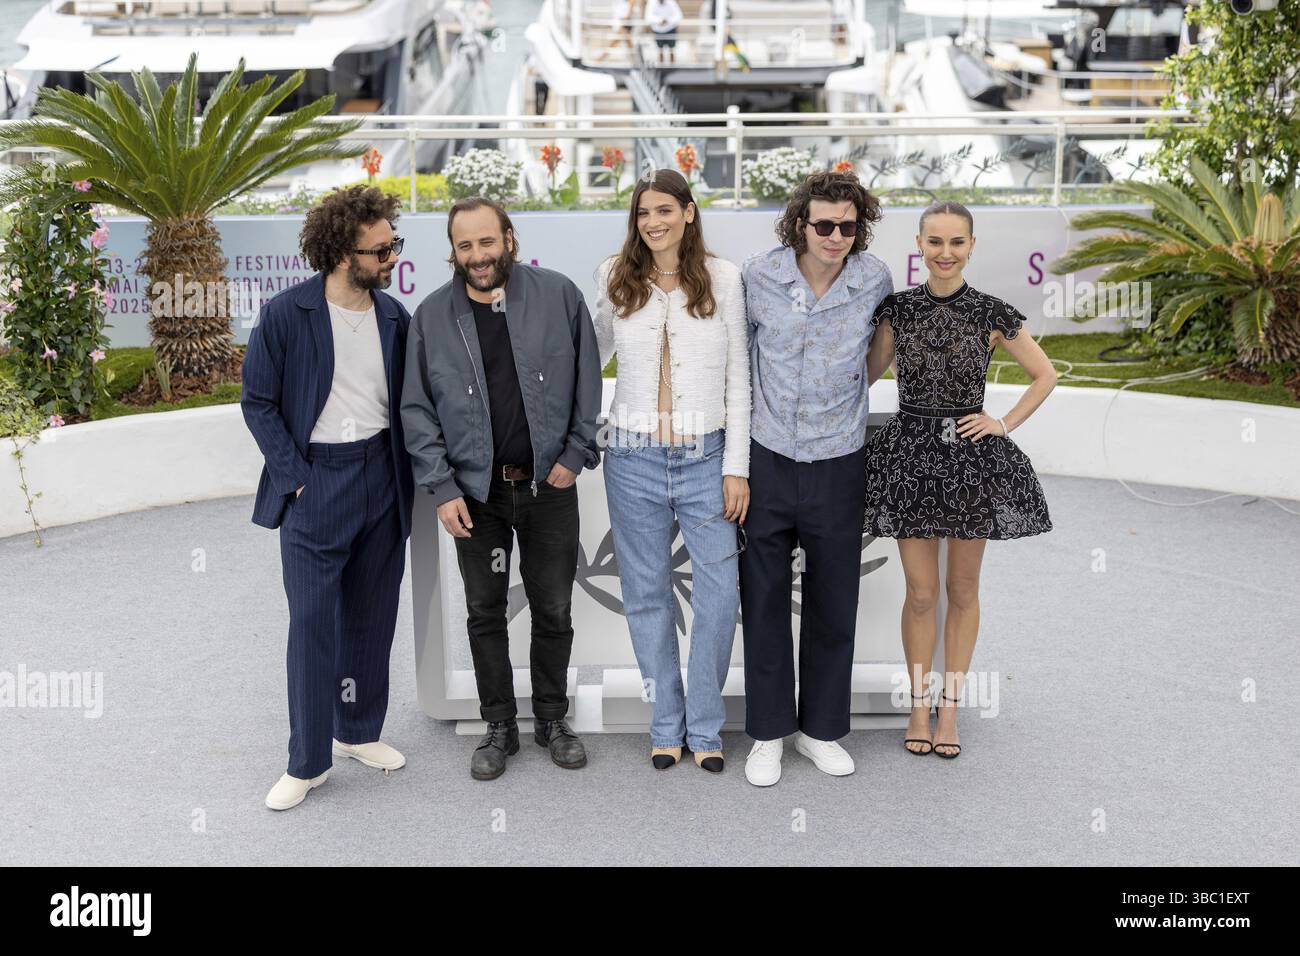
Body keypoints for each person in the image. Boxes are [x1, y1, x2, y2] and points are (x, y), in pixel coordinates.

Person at [401, 197, 602, 781]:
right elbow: (418, 410)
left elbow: (589, 379)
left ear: (509, 239)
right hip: (476, 497)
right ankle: (499, 726)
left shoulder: (559, 296)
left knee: (554, 608)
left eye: (487, 242)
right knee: (485, 611)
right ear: (453, 252)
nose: (478, 256)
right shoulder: (432, 318)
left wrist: (573, 456)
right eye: (465, 246)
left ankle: (552, 719)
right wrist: (441, 488)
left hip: (548, 490)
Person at [241, 186, 414, 811]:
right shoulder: (288, 314)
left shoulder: (395, 317)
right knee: (313, 625)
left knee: (372, 618)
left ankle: (358, 731)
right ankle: (307, 760)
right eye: (382, 247)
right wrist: (294, 477)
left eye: (393, 243)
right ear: (344, 251)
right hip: (316, 480)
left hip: (382, 478)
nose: (392, 255)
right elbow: (257, 401)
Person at [864, 200, 1055, 759]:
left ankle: (951, 710)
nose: (945, 253)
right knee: (921, 593)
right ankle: (918, 707)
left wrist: (1002, 423)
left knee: (963, 590)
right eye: (935, 242)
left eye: (956, 243)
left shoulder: (993, 312)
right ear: (919, 246)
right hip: (911, 455)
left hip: (970, 460)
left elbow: (1045, 375)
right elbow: (864, 376)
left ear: (972, 246)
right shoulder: (896, 310)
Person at [593, 168, 750, 774]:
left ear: (688, 212)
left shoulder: (726, 279)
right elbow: (591, 352)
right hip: (630, 457)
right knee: (646, 594)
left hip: (706, 457)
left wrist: (736, 467)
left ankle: (705, 726)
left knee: (718, 594)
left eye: (664, 210)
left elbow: (739, 376)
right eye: (642, 213)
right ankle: (666, 724)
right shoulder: (615, 275)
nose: (652, 222)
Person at [739, 170, 893, 787]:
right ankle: (769, 734)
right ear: (800, 221)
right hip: (767, 454)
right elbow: (736, 355)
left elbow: (880, 350)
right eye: (824, 224)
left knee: (834, 600)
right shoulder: (758, 276)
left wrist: (854, 394)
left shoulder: (873, 278)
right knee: (765, 598)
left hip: (839, 457)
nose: (835, 236)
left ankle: (820, 730)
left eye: (848, 227)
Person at [646, 0, 683, 64]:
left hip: (670, 29)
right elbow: (648, 17)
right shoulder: (651, 2)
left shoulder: (671, 2)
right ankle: (661, 68)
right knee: (660, 51)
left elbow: (679, 16)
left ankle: (672, 68)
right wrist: (659, 20)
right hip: (657, 30)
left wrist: (668, 21)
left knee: (672, 50)